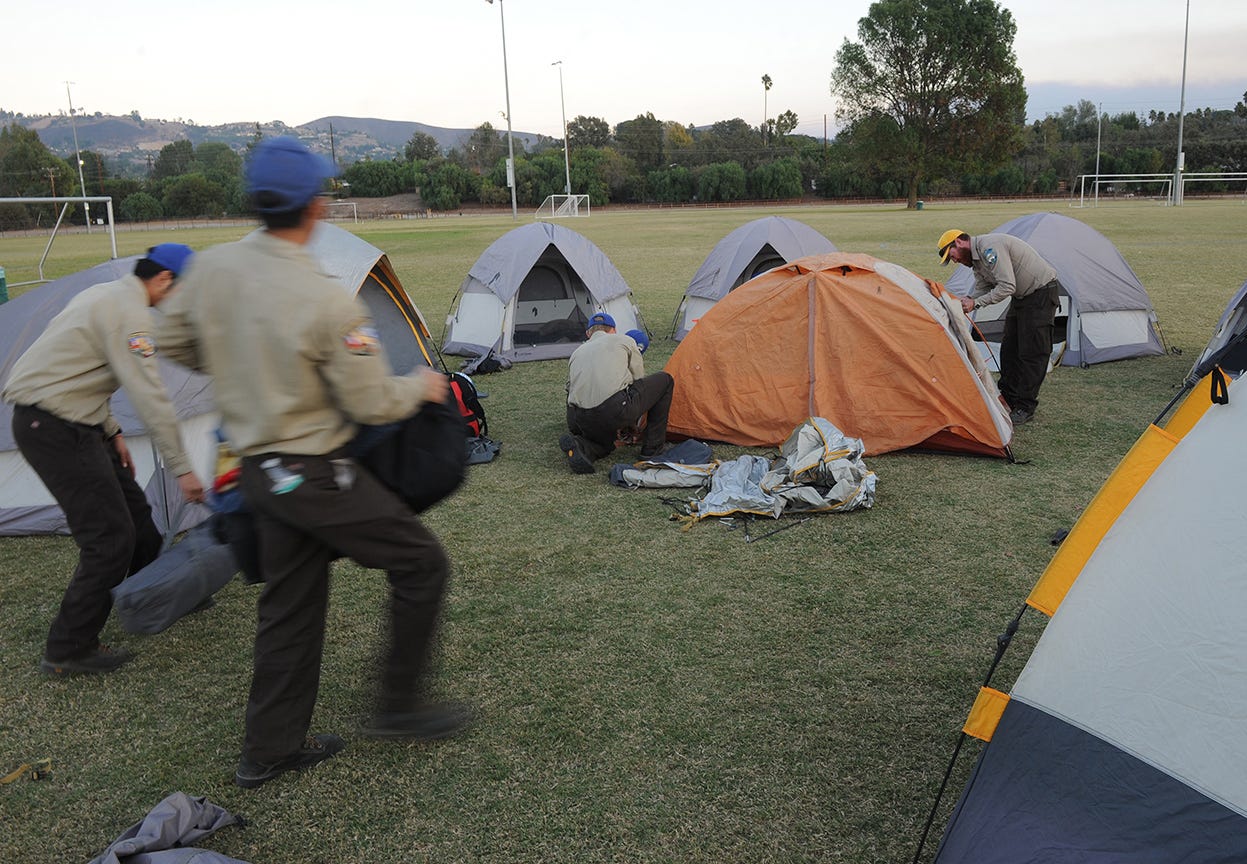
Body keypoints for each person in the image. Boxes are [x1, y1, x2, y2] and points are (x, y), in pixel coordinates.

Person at [155, 136, 471, 789]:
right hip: (312, 475)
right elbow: (374, 400)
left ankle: (269, 750)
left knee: (291, 607)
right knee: (420, 562)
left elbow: (169, 339)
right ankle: (399, 706)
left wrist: (237, 367)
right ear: (317, 207)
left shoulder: (211, 271)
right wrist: (425, 386)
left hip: (260, 473)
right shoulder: (325, 298)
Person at [3, 244, 206, 675]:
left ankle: (159, 592)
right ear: (166, 280)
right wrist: (184, 468)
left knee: (138, 519)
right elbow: (151, 398)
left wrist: (111, 432)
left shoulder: (105, 294)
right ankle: (68, 649)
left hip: (78, 421)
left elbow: (80, 369)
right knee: (110, 538)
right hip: (55, 427)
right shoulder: (130, 316)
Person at [938, 229, 1061, 424]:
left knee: (1032, 353)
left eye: (951, 255)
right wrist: (969, 299)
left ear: (959, 243)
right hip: (1021, 298)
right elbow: (982, 286)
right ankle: (1009, 398)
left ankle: (1025, 407)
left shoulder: (989, 248)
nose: (954, 261)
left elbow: (1007, 286)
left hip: (1040, 294)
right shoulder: (976, 262)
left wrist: (976, 304)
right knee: (1009, 349)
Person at [560, 313, 673, 474]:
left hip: (578, 419)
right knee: (665, 380)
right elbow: (638, 381)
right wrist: (632, 422)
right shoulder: (624, 340)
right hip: (613, 410)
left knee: (605, 441)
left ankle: (582, 446)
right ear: (613, 330)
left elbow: (569, 389)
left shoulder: (577, 352)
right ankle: (652, 449)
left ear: (588, 333)